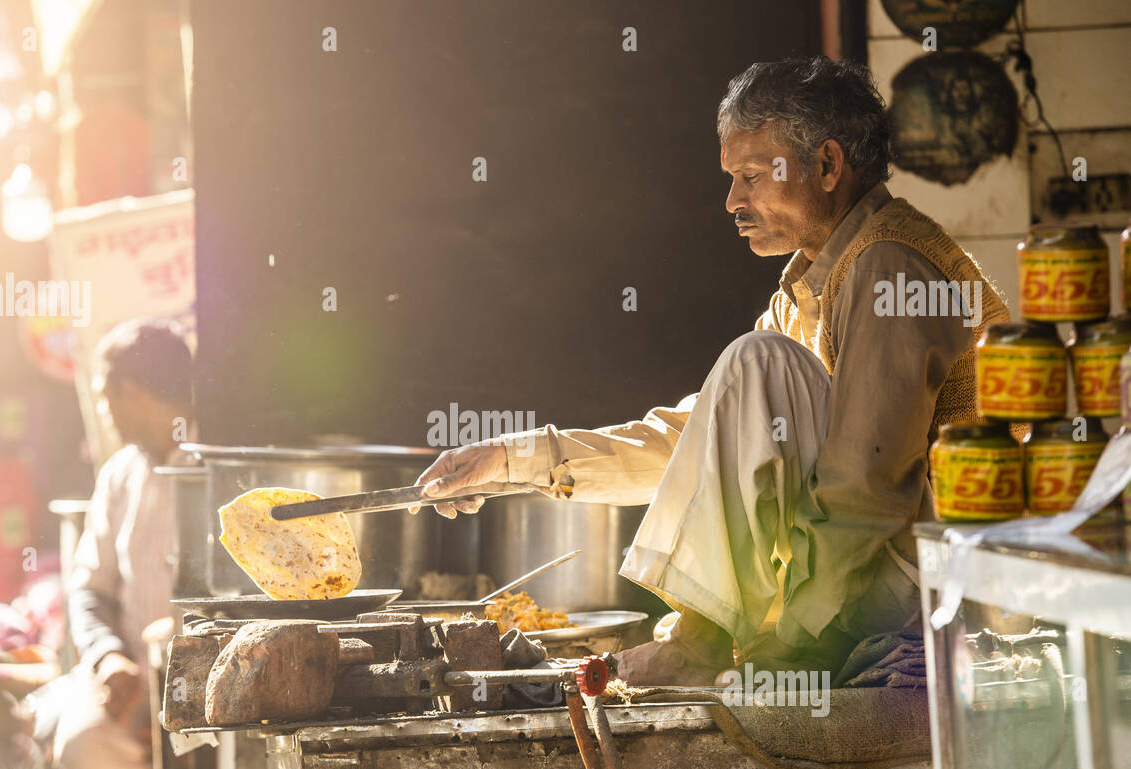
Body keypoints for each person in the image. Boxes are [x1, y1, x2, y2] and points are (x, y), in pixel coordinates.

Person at [415, 57, 1008, 687]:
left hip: (936, 593)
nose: (732, 200)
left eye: (752, 176)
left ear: (829, 166)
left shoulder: (888, 264)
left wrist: (786, 646)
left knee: (755, 362)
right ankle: (706, 636)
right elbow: (695, 441)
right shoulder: (810, 286)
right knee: (753, 366)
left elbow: (864, 489)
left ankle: (706, 640)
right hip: (871, 582)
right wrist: (516, 459)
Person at [55, 317, 196, 769]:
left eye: (103, 395)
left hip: (217, 689)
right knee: (80, 746)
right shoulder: (119, 474)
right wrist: (109, 656)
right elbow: (89, 589)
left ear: (130, 393)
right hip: (135, 685)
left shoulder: (223, 461)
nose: (103, 411)